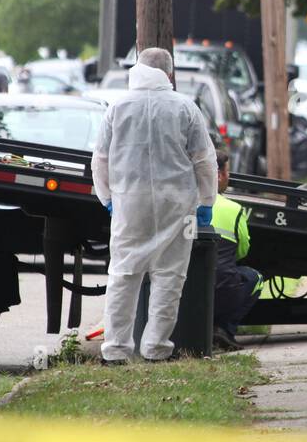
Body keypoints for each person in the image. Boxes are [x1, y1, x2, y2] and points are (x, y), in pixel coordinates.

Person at [91, 48, 217, 363]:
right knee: (170, 276)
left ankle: (117, 349)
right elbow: (204, 160)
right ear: (169, 73)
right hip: (178, 204)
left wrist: (107, 199)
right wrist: (206, 201)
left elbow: (101, 160)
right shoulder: (185, 107)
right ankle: (156, 347)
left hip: (129, 203)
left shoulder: (118, 107)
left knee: (123, 273)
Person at [210, 145, 260, 351]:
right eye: (227, 172)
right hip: (221, 287)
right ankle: (224, 329)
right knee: (254, 278)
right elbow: (242, 251)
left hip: (183, 285)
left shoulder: (180, 203)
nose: (228, 176)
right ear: (219, 175)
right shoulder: (234, 209)